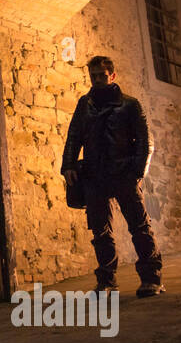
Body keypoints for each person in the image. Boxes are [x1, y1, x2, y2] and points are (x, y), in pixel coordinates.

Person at [61, 55, 165, 297]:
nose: (97, 80)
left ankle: (152, 278)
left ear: (112, 76)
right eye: (93, 76)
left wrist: (137, 171)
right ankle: (107, 281)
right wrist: (68, 166)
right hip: (94, 175)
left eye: (102, 75)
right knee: (100, 232)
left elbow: (144, 141)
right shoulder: (84, 104)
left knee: (139, 227)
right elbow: (74, 136)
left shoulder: (129, 105)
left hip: (123, 173)